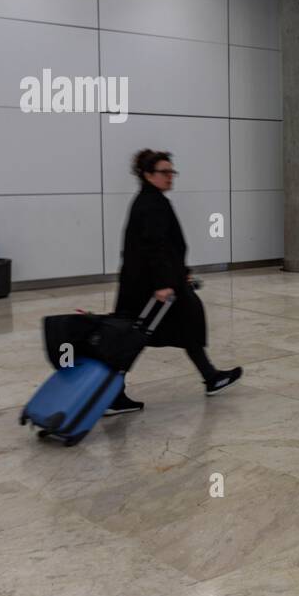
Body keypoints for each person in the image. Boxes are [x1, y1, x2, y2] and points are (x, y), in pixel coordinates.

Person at [106, 150, 242, 415]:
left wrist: (183, 272)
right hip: (152, 288)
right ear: (148, 175)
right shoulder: (151, 203)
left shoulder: (151, 200)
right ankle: (113, 394)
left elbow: (166, 246)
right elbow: (153, 248)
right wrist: (162, 284)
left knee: (183, 324)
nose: (170, 177)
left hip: (160, 282)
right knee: (136, 336)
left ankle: (211, 377)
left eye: (172, 172)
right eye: (164, 172)